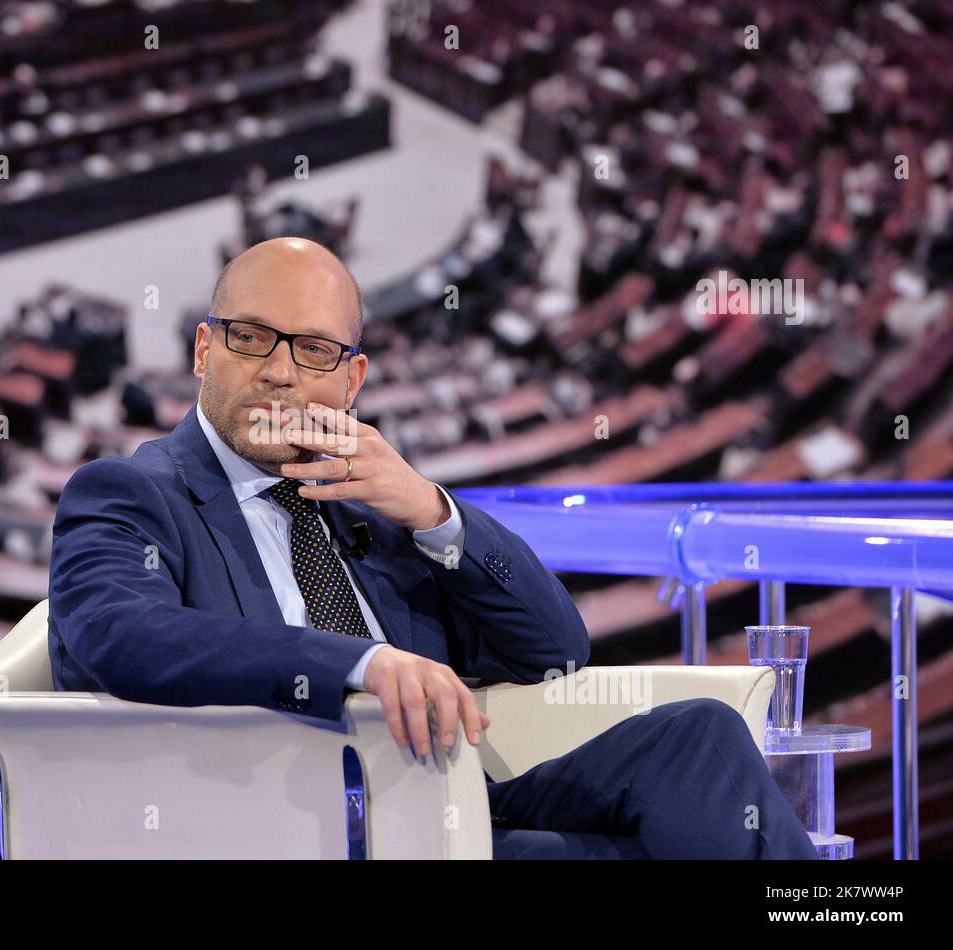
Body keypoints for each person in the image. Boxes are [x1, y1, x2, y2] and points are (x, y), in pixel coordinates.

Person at [49, 237, 819, 859]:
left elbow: (555, 648)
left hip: (449, 799)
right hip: (302, 823)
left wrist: (433, 510)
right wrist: (359, 665)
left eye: (313, 351)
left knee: (701, 742)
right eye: (250, 338)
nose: (278, 372)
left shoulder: (371, 502)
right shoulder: (129, 490)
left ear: (352, 382)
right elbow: (120, 635)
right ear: (202, 351)